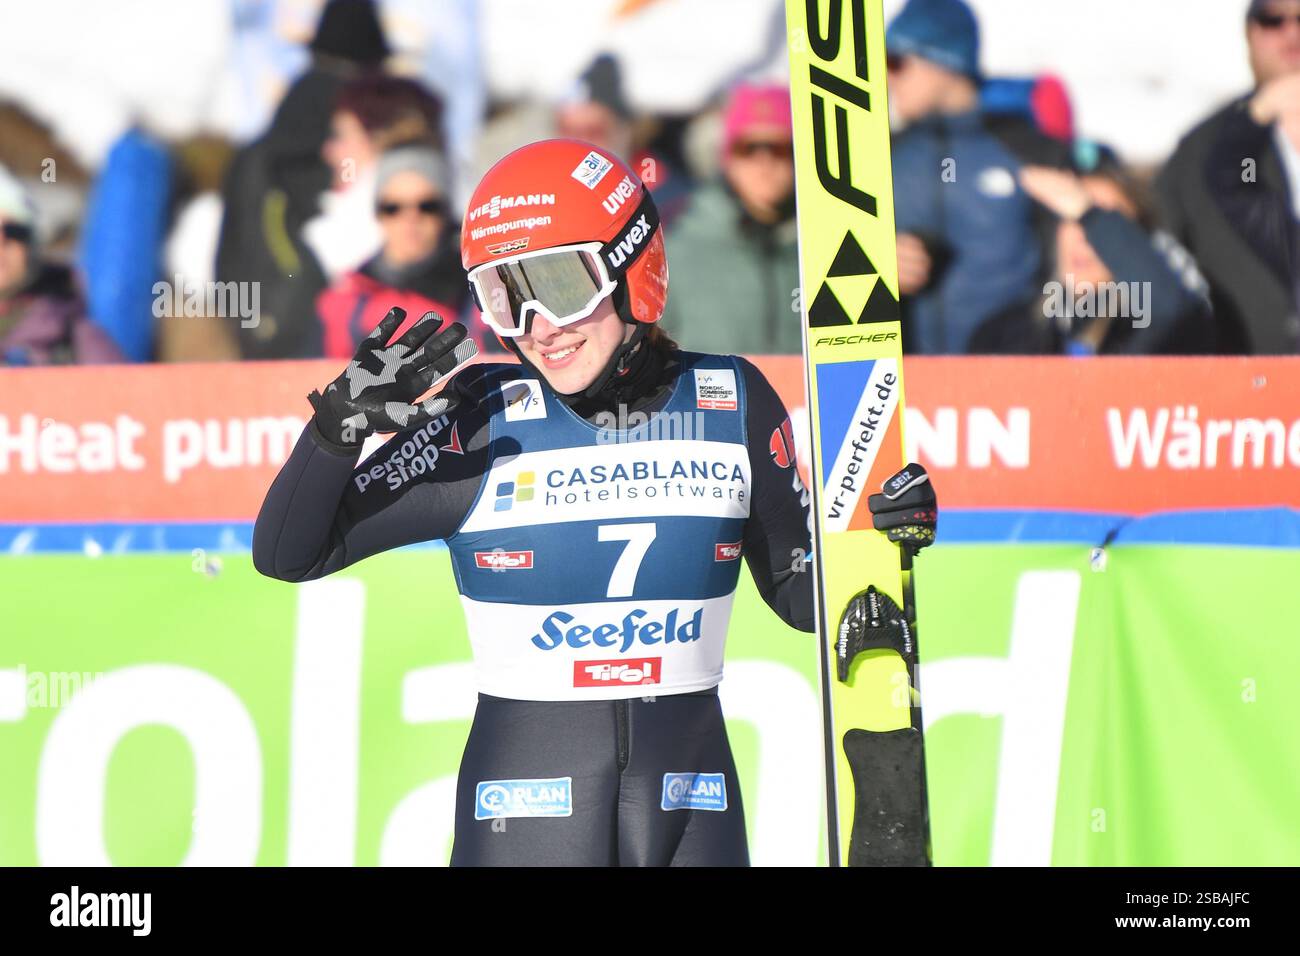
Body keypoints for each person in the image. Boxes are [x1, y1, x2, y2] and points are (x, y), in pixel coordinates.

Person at [252, 139, 937, 866]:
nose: (539, 324)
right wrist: (335, 432)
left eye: (559, 283)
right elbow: (290, 553)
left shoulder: (730, 399)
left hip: (692, 805)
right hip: (520, 811)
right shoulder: (478, 417)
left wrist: (885, 536)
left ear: (632, 265)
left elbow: (805, 599)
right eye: (504, 296)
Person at [886, 0, 1072, 354]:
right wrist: (874, 268)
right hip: (905, 388)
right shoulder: (881, 155)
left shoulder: (1030, 150)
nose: (887, 78)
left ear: (943, 60)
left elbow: (1072, 271)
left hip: (1011, 388)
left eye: (895, 61)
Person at [215, 0, 392, 360]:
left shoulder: (270, 139)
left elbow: (230, 253)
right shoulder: (346, 115)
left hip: (257, 318)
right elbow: (339, 236)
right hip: (314, 322)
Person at [972, 148, 1214, 355]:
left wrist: (1089, 215)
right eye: (1070, 218)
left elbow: (1169, 309)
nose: (1083, 236)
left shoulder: (1149, 326)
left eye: (1105, 220)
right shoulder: (1005, 333)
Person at [1158, 0, 1300, 353]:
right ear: (1250, 33)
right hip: (1245, 375)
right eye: (1272, 20)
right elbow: (1164, 252)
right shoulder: (1212, 149)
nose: (1292, 33)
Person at [659, 83, 801, 354]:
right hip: (715, 395)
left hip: (804, 396)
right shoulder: (676, 243)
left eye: (779, 148)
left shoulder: (830, 241)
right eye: (747, 148)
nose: (764, 163)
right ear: (727, 156)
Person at [316, 143, 488, 359]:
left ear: (445, 212)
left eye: (427, 206)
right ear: (377, 213)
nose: (410, 219)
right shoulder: (344, 300)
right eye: (393, 208)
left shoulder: (481, 292)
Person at [0, 165, 122, 366]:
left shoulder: (78, 340)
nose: (1, 242)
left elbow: (123, 394)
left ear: (31, 247)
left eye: (14, 231)